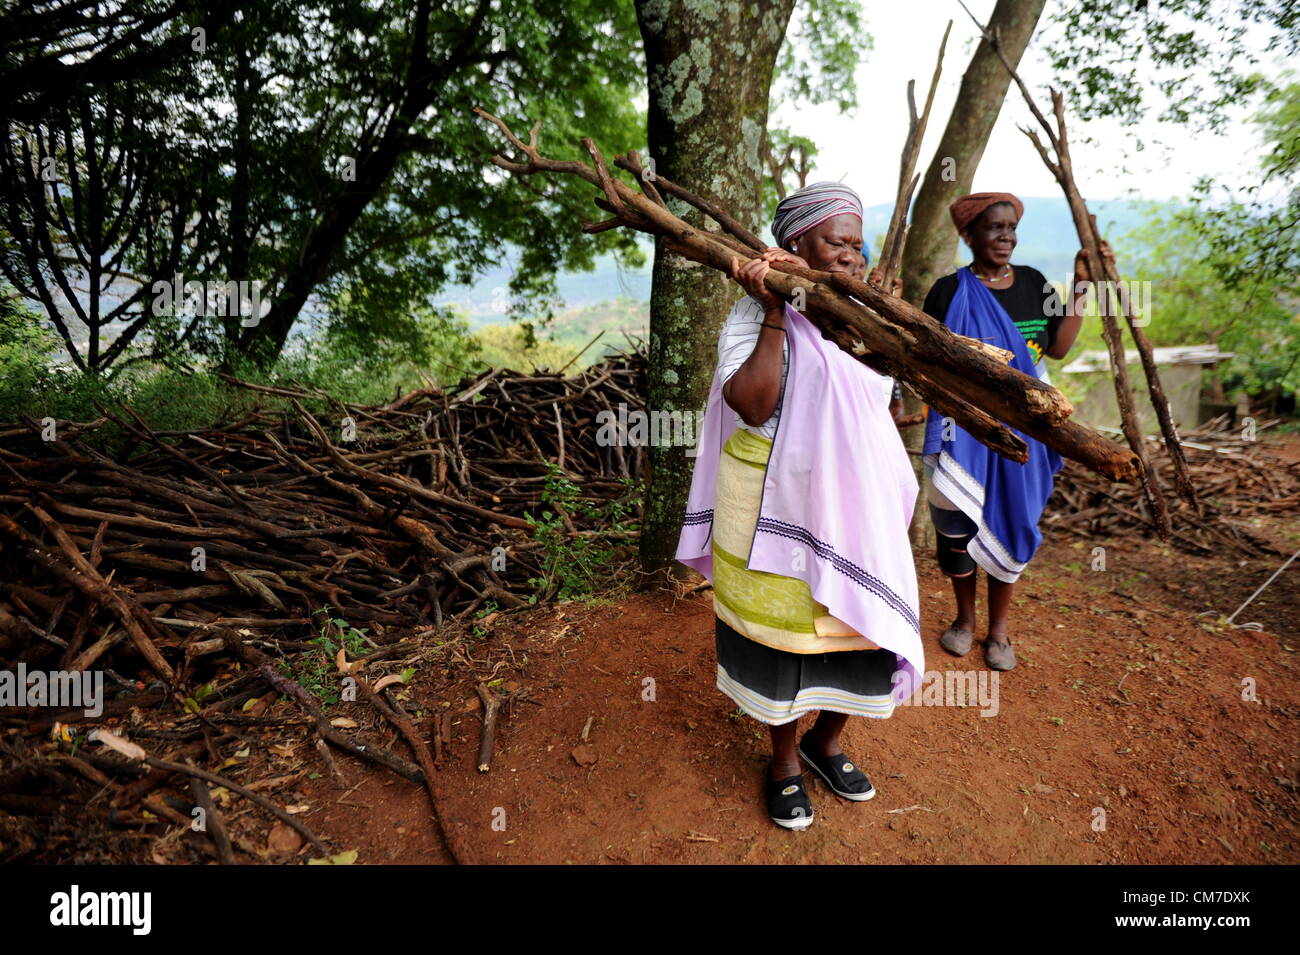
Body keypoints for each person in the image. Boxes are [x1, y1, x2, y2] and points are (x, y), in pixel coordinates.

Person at [676, 182, 923, 831]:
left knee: (863, 627)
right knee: (785, 636)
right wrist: (776, 313)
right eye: (837, 243)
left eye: (856, 245)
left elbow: (891, 407)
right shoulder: (750, 315)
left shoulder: (866, 319)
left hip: (853, 505)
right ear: (794, 246)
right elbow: (753, 404)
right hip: (772, 505)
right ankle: (784, 759)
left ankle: (827, 741)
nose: (852, 256)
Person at [919, 192, 1113, 671]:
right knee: (959, 518)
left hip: (1028, 421)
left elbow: (1060, 349)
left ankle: (999, 630)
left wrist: (1083, 286)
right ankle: (965, 620)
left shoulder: (1032, 283)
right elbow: (927, 359)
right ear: (969, 236)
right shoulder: (949, 291)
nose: (1005, 238)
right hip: (965, 420)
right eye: (993, 229)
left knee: (1015, 516)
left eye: (1010, 228)